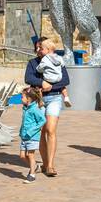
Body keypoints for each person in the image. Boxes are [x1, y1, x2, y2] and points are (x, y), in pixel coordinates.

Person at [23, 37, 68, 177]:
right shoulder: (33, 63)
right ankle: (44, 162)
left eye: (40, 47)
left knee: (51, 129)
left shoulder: (57, 60)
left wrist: (51, 87)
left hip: (54, 98)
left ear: (47, 49)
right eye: (36, 48)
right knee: (42, 131)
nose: (38, 50)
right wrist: (42, 83)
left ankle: (50, 165)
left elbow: (65, 80)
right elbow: (28, 78)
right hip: (38, 99)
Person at [18, 87, 46, 183]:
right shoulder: (25, 109)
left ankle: (32, 174)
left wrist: (32, 130)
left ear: (29, 99)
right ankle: (35, 166)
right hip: (24, 136)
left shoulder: (34, 109)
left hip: (32, 137)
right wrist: (21, 131)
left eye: (22, 97)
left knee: (30, 155)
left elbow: (42, 120)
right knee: (22, 156)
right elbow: (24, 122)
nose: (21, 99)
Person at [34, 44, 72, 108]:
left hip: (48, 78)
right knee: (63, 88)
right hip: (58, 77)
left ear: (48, 50)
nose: (40, 50)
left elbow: (40, 68)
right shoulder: (59, 57)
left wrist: (38, 70)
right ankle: (66, 97)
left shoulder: (45, 58)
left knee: (39, 89)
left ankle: (41, 101)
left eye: (42, 49)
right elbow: (62, 64)